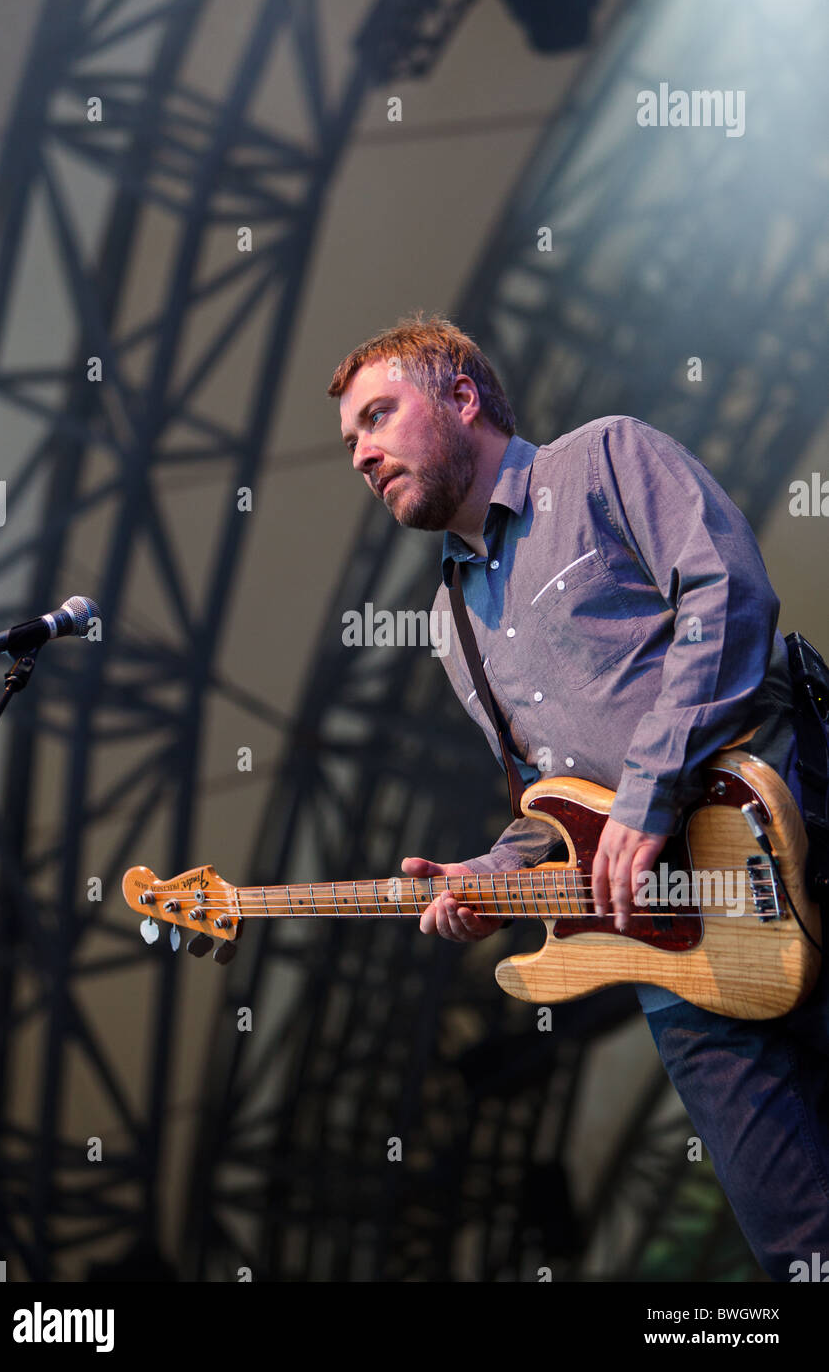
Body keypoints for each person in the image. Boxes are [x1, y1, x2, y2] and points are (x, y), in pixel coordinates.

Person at [327, 312, 829, 1282]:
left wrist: (645, 796)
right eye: (351, 439)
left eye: (379, 416)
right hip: (679, 966)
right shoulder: (450, 625)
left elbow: (725, 599)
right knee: (797, 1245)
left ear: (460, 396)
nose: (361, 451)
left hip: (795, 845)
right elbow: (551, 804)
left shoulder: (601, 458)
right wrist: (483, 876)